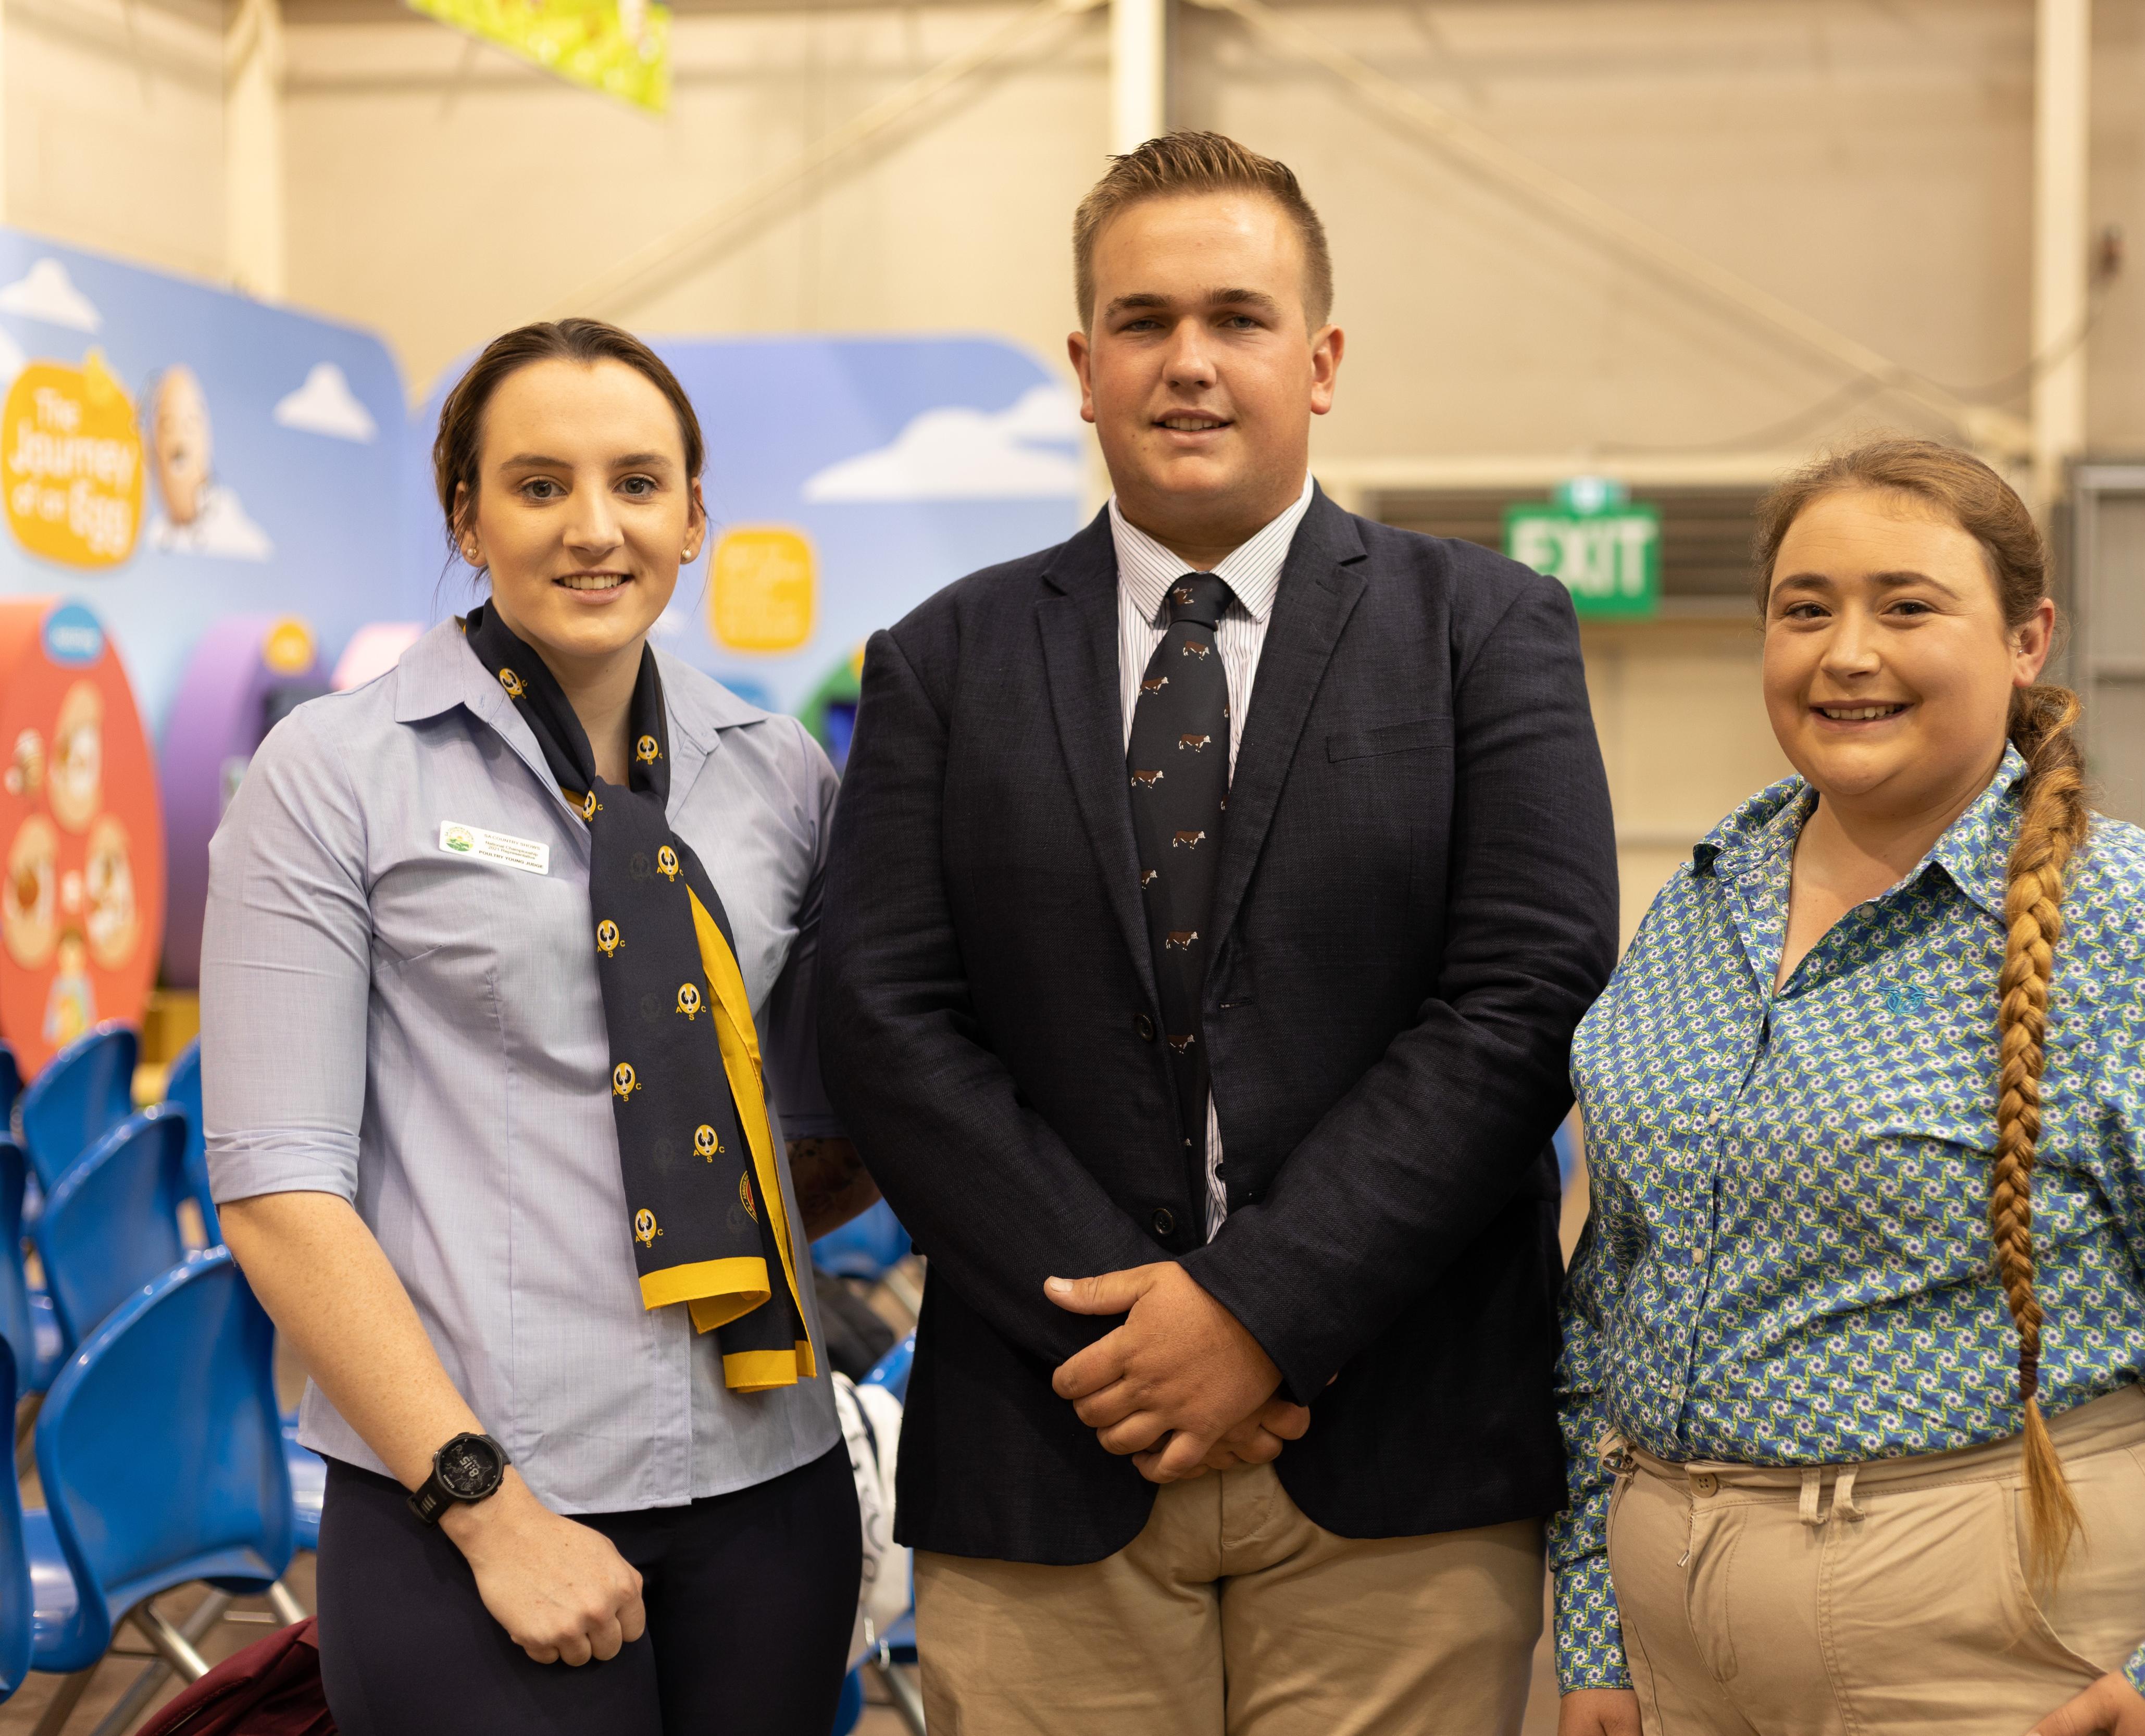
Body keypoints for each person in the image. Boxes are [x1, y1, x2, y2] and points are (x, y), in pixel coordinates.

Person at [815, 130, 1618, 1735]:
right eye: (1144, 320)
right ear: (1084, 364)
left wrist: (1259, 1310)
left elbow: (1523, 995)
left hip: (1400, 1455)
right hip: (1051, 1453)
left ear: (1318, 362)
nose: (1189, 361)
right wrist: (1131, 1335)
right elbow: (887, 1013)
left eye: (1238, 318)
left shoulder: (1487, 630)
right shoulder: (940, 660)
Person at [1550, 439, 2145, 1736]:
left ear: (2027, 638)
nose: (1845, 652)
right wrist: (1595, 1629)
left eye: (1906, 605)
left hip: (2012, 1662)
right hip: (1677, 1653)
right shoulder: (1702, 906)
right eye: (1805, 608)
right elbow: (1607, 1298)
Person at [204, 318, 879, 1736]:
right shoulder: (333, 776)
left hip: (770, 1485)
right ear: (466, 513)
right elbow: (276, 1189)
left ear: (696, 516)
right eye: (538, 484)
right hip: (475, 1502)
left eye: (638, 483)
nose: (595, 528)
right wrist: (486, 1505)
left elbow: (833, 1109)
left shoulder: (778, 777)